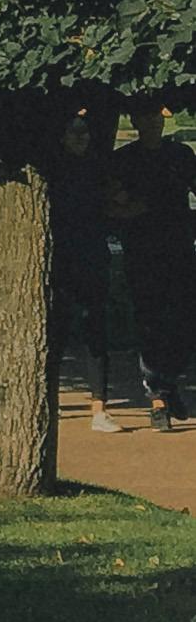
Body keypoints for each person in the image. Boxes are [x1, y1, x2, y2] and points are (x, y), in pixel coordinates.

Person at [111, 110, 196, 435]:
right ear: (136, 121)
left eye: (158, 116)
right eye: (147, 117)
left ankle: (169, 381)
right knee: (151, 320)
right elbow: (108, 203)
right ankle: (157, 398)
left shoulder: (180, 154)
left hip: (180, 250)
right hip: (142, 254)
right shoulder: (125, 160)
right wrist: (129, 210)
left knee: (185, 321)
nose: (154, 122)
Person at [53, 99, 118, 430]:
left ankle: (99, 408)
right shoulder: (53, 172)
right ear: (62, 136)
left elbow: (110, 207)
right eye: (75, 132)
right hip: (61, 262)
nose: (82, 137)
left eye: (86, 132)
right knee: (57, 329)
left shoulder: (96, 169)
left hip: (93, 258)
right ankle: (49, 398)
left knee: (95, 331)